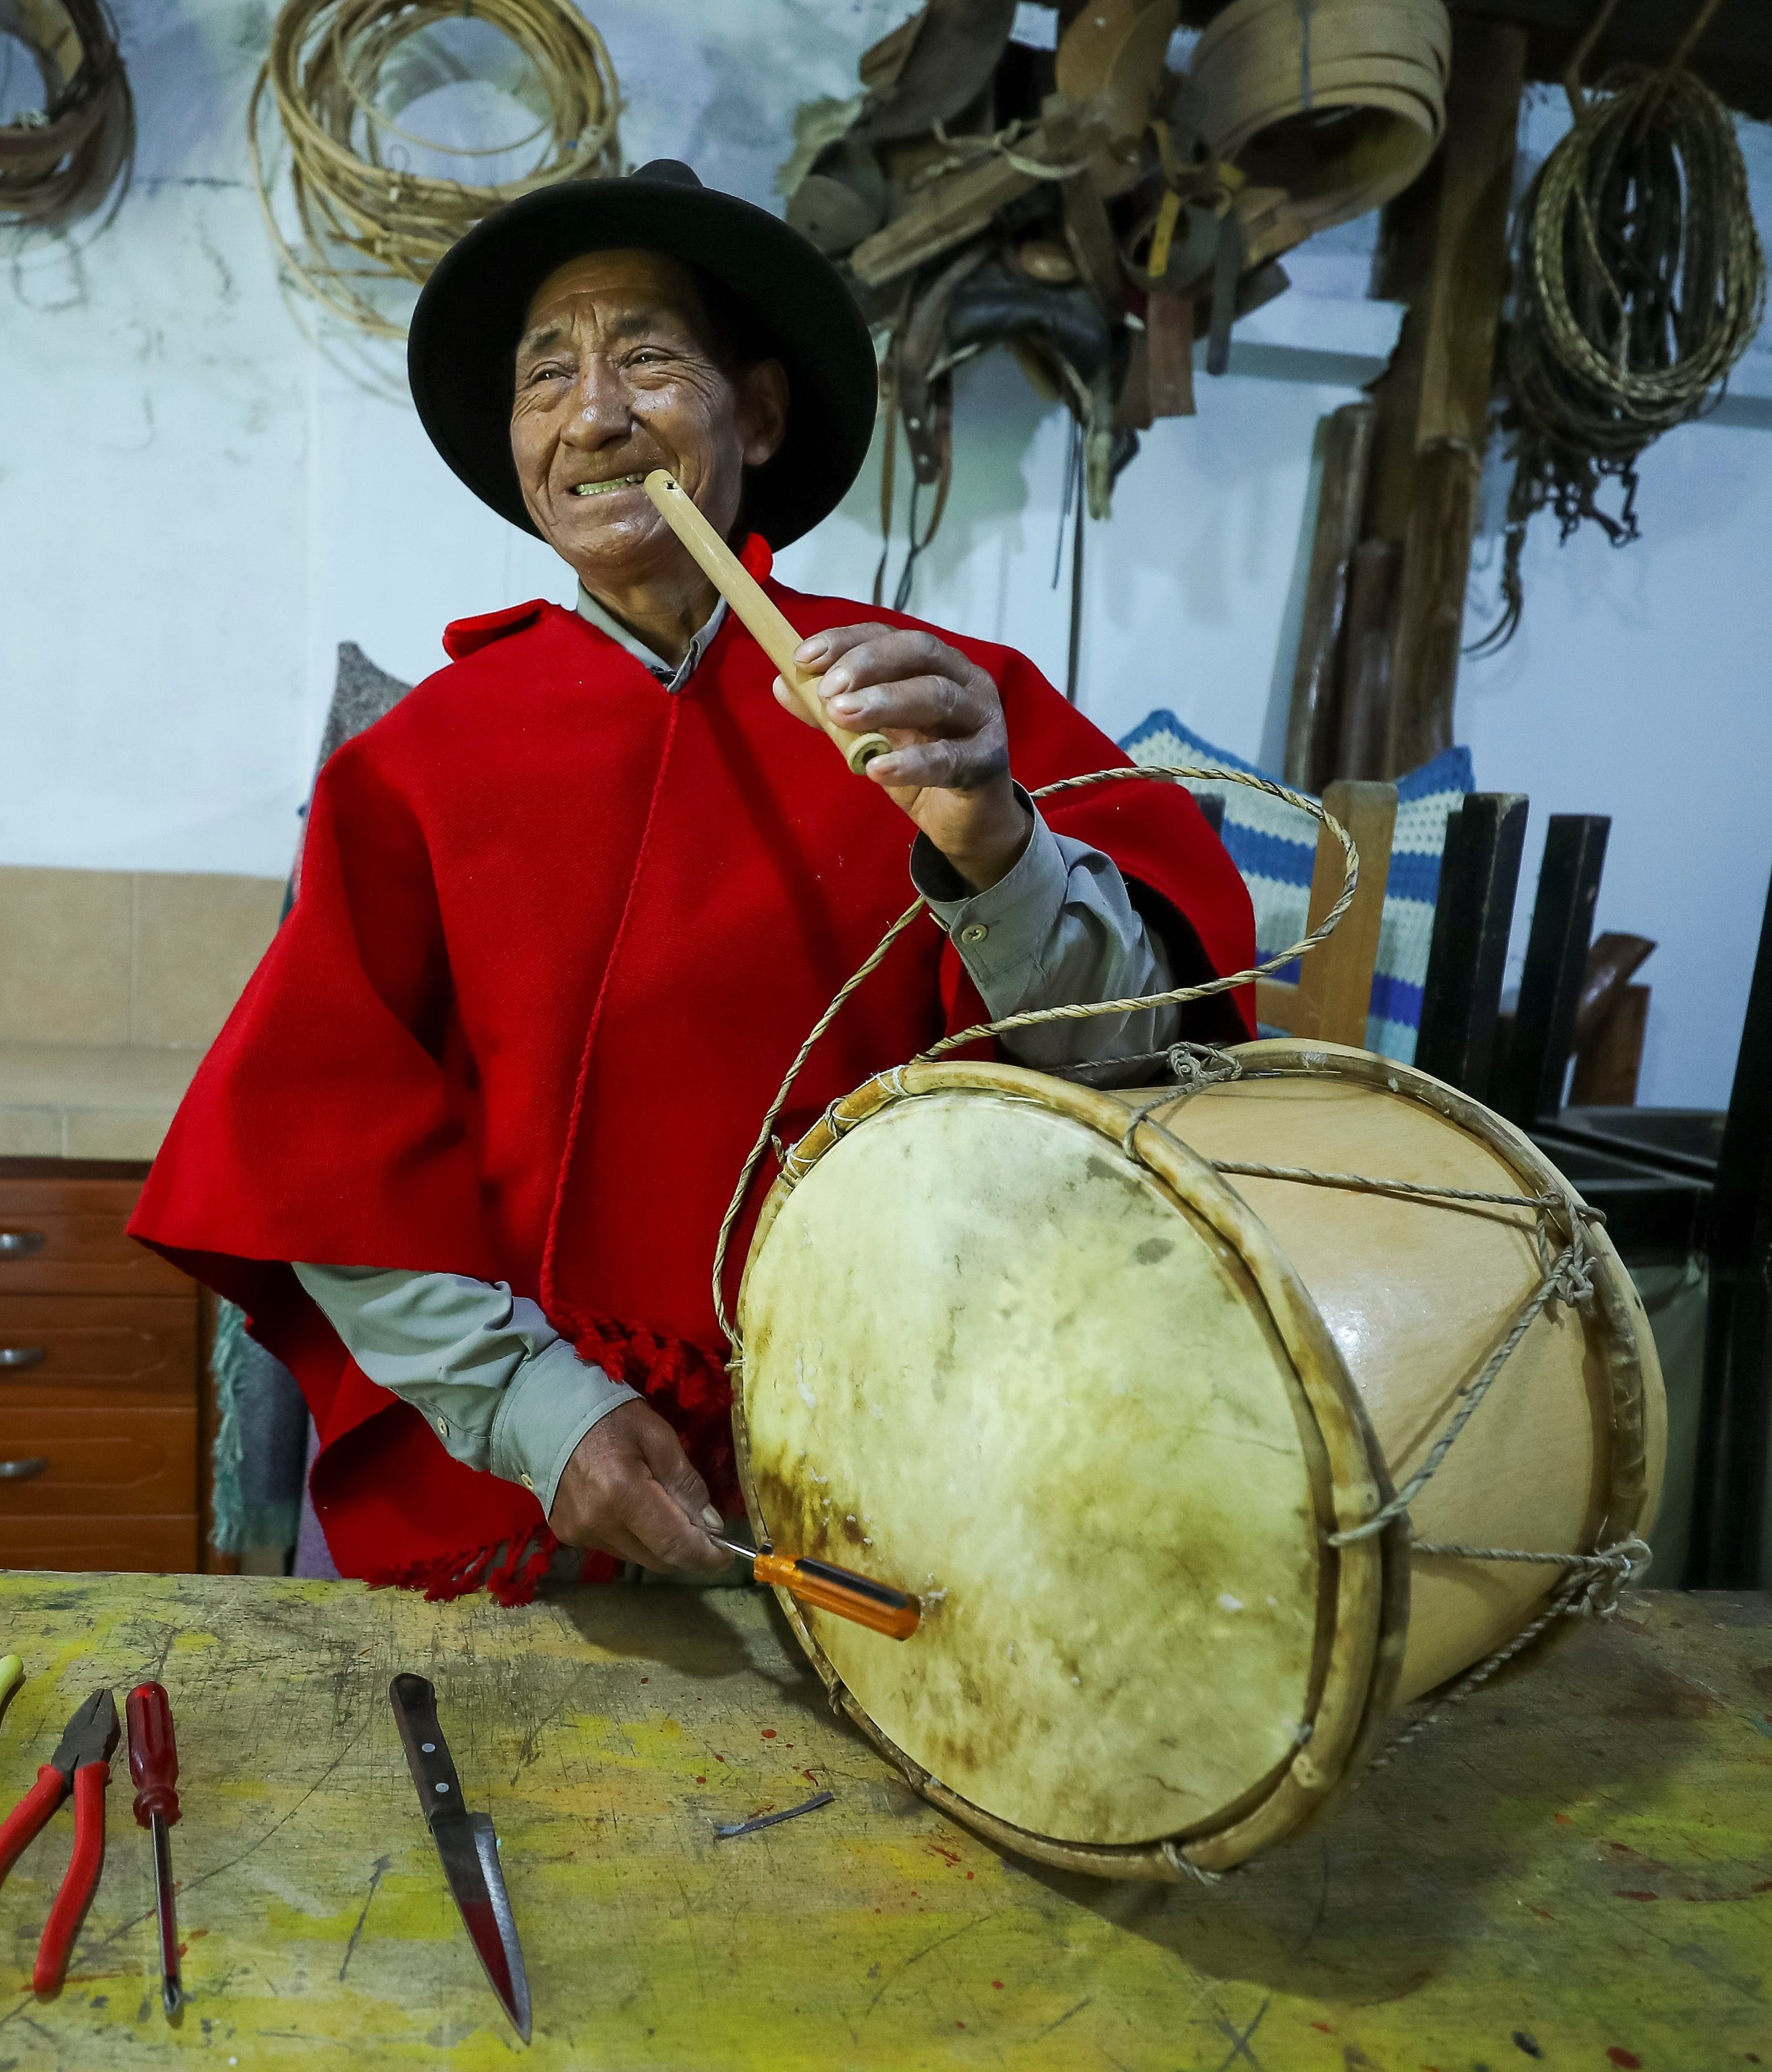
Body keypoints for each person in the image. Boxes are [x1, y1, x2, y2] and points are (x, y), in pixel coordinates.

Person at [132, 162, 1252, 1601]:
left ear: (759, 414)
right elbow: (315, 1165)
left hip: (913, 1478)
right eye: (548, 373)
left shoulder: (951, 709)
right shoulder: (417, 765)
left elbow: (1138, 1070)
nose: (594, 413)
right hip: (527, 1488)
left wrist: (992, 838)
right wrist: (539, 1413)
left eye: (648, 357)